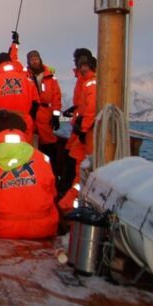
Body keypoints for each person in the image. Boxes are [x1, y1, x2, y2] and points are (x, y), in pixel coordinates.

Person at [0, 112, 58, 239]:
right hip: (43, 228)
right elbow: (53, 193)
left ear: (0, 131)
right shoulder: (42, 158)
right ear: (23, 131)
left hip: (3, 229)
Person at [58, 55, 98, 213]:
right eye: (80, 66)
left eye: (85, 65)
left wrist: (83, 129)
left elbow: (92, 109)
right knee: (77, 165)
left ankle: (69, 205)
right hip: (83, 132)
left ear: (92, 66)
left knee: (81, 169)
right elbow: (85, 107)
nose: (82, 68)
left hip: (87, 134)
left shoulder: (91, 84)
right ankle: (69, 201)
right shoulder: (87, 82)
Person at [0, 32, 40, 142]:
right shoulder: (27, 80)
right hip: (25, 121)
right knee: (26, 150)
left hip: (4, 122)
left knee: (5, 150)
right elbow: (36, 103)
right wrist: (29, 117)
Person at [26, 50, 63, 167]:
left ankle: (52, 168)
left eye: (36, 59)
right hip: (31, 112)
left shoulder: (50, 77)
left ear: (40, 59)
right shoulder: (25, 76)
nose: (34, 61)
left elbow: (56, 96)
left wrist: (56, 115)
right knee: (30, 141)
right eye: (32, 60)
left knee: (49, 142)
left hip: (46, 113)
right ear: (29, 62)